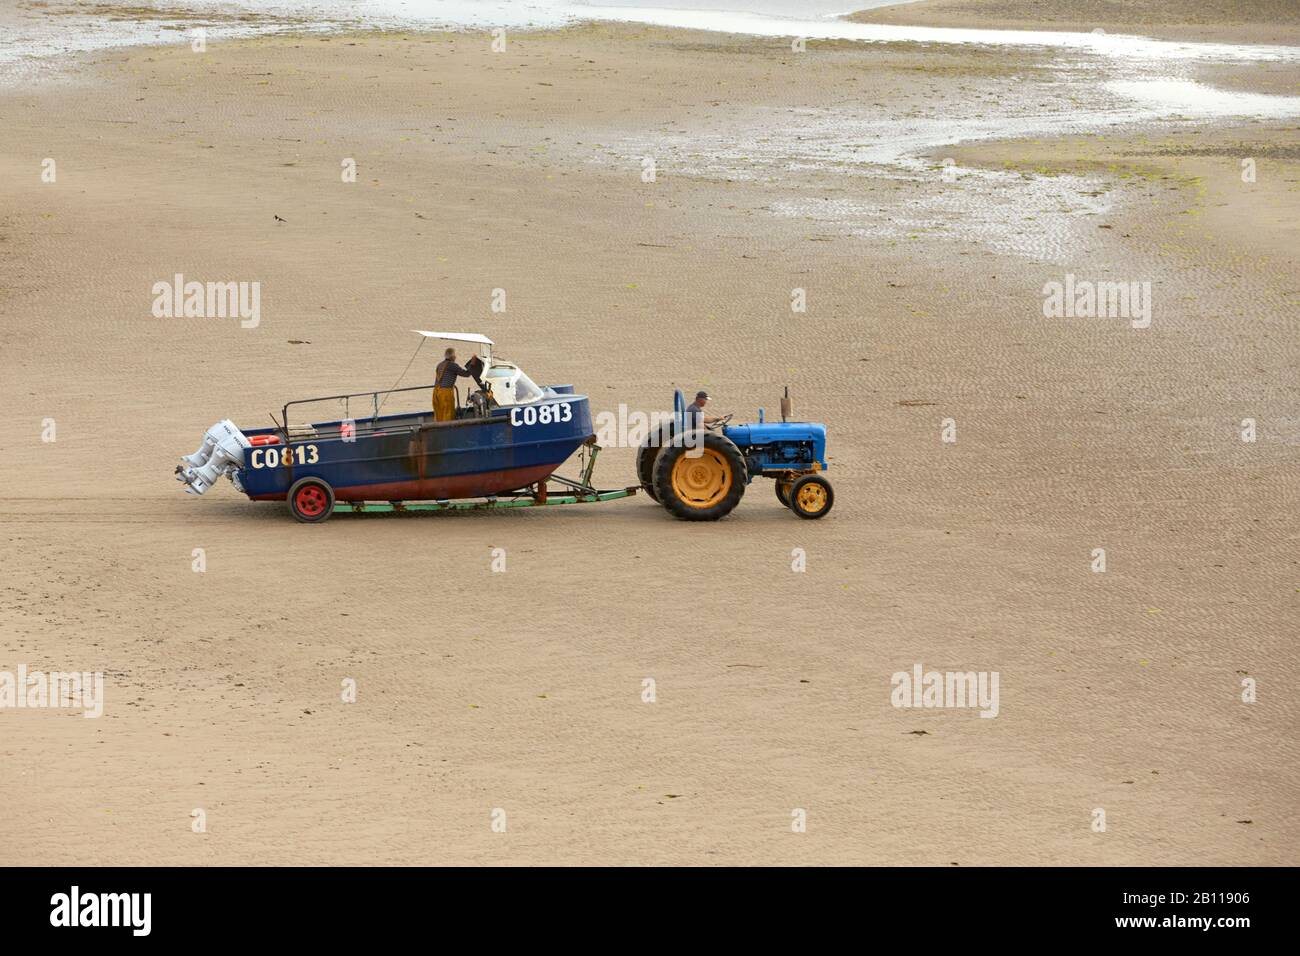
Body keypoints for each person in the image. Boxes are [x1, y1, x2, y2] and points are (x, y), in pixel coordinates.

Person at [433, 348, 472, 422]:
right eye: (455, 355)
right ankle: (448, 431)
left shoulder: (440, 364)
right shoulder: (452, 365)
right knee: (448, 414)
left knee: (439, 414)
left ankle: (439, 429)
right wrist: (472, 364)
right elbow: (466, 374)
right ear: (452, 356)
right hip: (445, 393)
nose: (456, 357)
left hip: (436, 392)